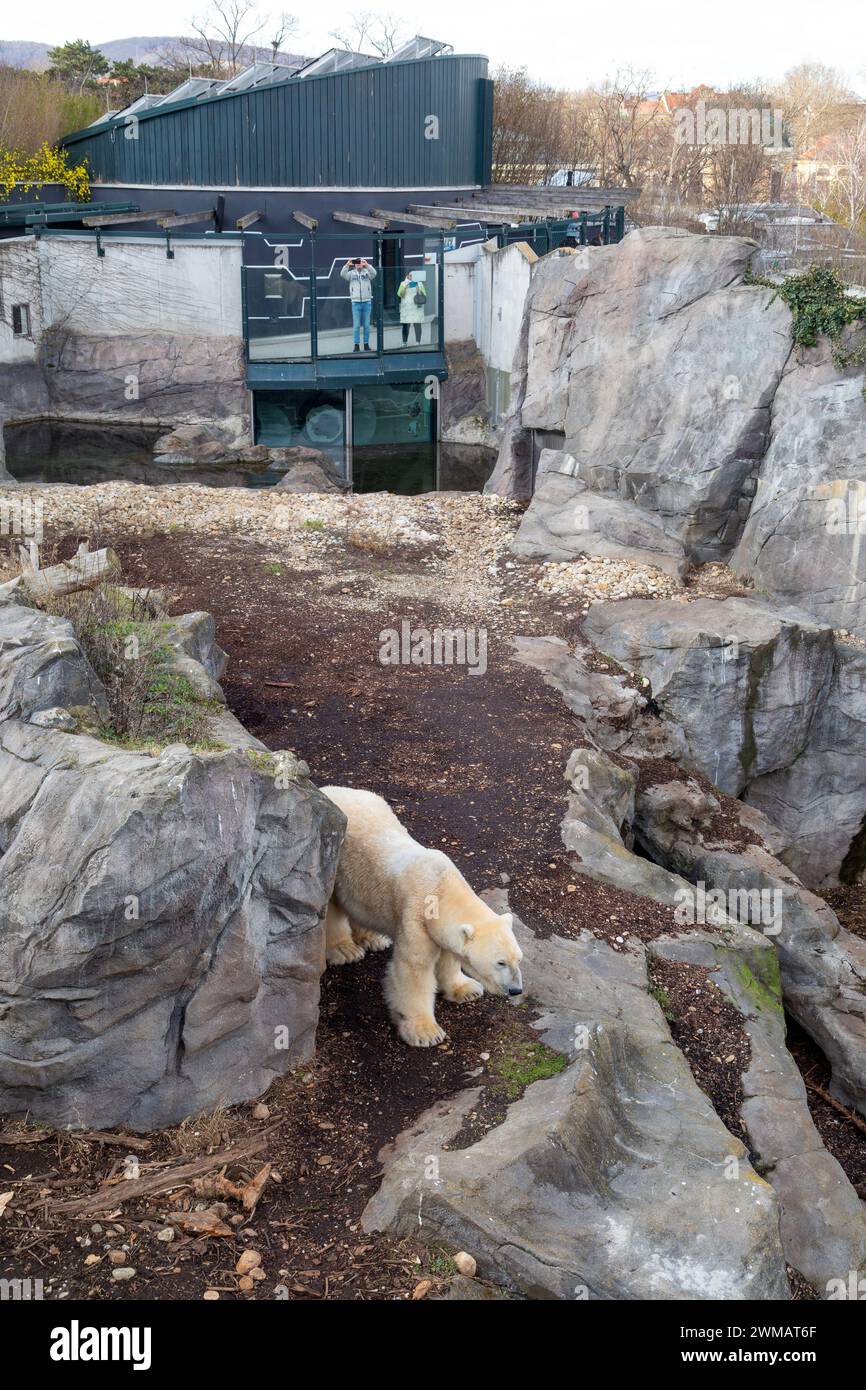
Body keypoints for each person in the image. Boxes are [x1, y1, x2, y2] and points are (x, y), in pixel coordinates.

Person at [340, 256, 377, 351]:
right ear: (354, 265)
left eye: (360, 262)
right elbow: (342, 274)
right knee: (356, 326)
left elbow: (374, 273)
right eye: (356, 263)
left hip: (367, 302)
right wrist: (347, 265)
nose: (358, 264)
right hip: (356, 302)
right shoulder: (351, 274)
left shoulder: (367, 273)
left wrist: (367, 265)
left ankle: (366, 344)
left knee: (366, 325)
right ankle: (356, 345)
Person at [397, 269, 426, 345]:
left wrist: (418, 289)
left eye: (413, 275)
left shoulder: (419, 284)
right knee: (406, 325)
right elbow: (400, 294)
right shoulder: (403, 283)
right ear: (407, 276)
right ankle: (404, 342)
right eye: (410, 275)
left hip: (417, 307)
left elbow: (424, 294)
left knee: (417, 324)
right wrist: (405, 286)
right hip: (407, 307)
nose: (412, 277)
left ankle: (418, 342)